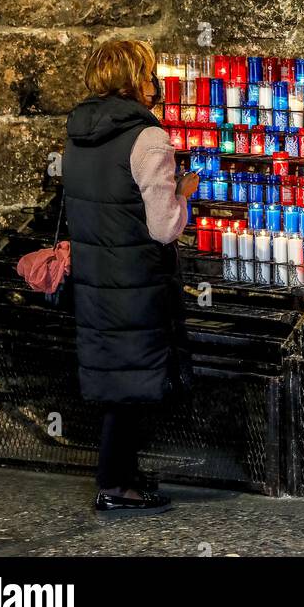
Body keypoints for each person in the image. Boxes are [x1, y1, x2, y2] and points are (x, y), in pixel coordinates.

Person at [62, 39, 198, 516]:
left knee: (116, 376)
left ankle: (120, 477)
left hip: (96, 277)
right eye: (149, 73)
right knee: (133, 384)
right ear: (137, 78)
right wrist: (183, 195)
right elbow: (163, 227)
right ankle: (115, 486)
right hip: (136, 280)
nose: (154, 83)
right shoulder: (149, 137)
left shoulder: (78, 133)